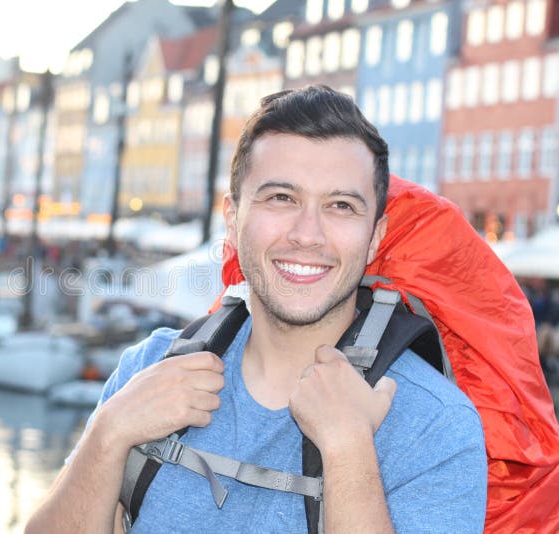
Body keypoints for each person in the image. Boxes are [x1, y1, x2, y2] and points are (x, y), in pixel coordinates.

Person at [24, 86, 487, 533]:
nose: (307, 234)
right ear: (232, 219)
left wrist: (349, 448)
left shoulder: (434, 422)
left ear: (375, 238)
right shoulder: (149, 367)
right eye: (281, 198)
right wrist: (109, 432)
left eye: (341, 206)